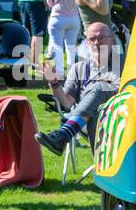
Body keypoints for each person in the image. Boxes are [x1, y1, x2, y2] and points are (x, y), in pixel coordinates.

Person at [35, 22, 120, 155]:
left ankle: (65, 134)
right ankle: (101, 171)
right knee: (96, 113)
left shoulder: (125, 64)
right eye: (92, 39)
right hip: (85, 124)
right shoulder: (78, 68)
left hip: (117, 119)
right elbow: (67, 103)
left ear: (112, 40)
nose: (97, 43)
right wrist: (54, 82)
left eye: (101, 38)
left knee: (100, 89)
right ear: (86, 42)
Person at [45, 0, 81, 76]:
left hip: (58, 18)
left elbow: (49, 2)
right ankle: (72, 73)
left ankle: (60, 72)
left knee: (57, 46)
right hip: (74, 18)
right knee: (71, 47)